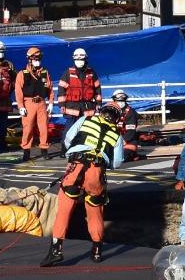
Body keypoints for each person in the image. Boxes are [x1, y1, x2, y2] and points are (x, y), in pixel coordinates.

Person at [40, 104, 124, 267]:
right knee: (95, 212)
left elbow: (69, 138)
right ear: (117, 118)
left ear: (102, 112)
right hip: (96, 173)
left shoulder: (86, 119)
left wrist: (73, 153)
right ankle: (97, 251)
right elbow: (118, 162)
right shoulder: (117, 135)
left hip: (76, 166)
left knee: (64, 209)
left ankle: (56, 250)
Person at [57, 48, 102, 153]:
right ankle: (64, 150)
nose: (79, 61)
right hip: (72, 107)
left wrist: (98, 103)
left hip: (87, 107)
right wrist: (62, 105)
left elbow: (97, 89)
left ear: (86, 59)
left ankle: (83, 149)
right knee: (68, 130)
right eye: (77, 59)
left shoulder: (91, 73)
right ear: (73, 59)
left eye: (81, 59)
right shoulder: (68, 73)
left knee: (86, 129)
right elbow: (61, 89)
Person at [15, 46, 53, 161]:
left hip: (41, 103)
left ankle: (44, 150)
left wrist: (51, 102)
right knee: (28, 128)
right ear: (29, 59)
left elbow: (50, 88)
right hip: (28, 103)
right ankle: (26, 151)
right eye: (35, 58)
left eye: (39, 58)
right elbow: (18, 91)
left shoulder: (45, 73)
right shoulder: (22, 73)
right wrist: (21, 106)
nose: (38, 61)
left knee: (44, 128)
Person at [109, 90, 142, 161]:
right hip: (112, 139)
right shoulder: (109, 111)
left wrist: (121, 142)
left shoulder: (130, 112)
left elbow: (131, 131)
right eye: (118, 100)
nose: (120, 102)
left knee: (121, 157)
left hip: (127, 141)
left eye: (122, 100)